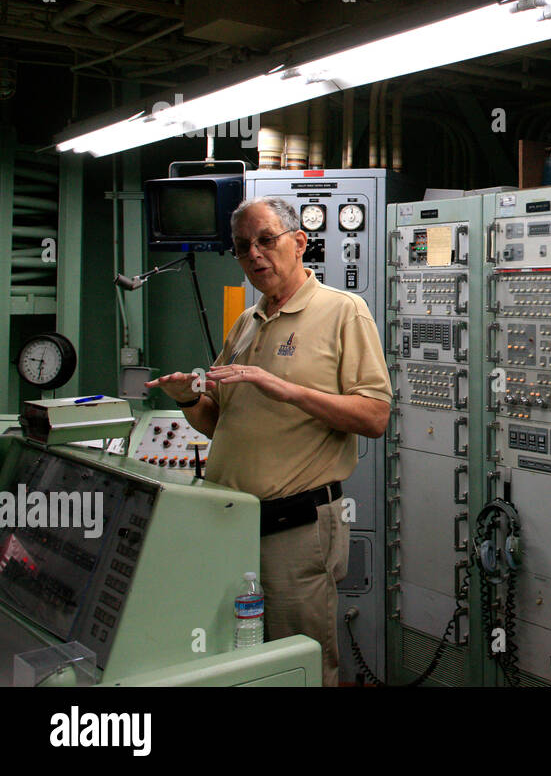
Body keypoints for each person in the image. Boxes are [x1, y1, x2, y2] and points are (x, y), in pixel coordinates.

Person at [146, 196, 391, 686]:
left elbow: (375, 416)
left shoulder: (345, 312)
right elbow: (223, 425)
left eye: (265, 240)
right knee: (240, 663)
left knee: (296, 661)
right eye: (242, 246)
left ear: (299, 242)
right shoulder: (246, 321)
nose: (254, 254)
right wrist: (188, 400)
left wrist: (285, 387)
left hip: (295, 529)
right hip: (231, 524)